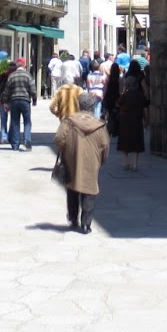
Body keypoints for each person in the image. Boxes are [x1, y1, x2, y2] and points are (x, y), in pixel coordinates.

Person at [54, 90, 109, 234]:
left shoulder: (69, 121)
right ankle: (86, 224)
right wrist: (101, 159)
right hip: (92, 159)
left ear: (79, 105)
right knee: (89, 189)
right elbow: (104, 145)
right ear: (92, 107)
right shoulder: (99, 125)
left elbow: (59, 138)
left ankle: (73, 218)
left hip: (72, 158)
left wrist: (65, 150)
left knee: (72, 186)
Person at [1, 58, 38, 151]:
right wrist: (34, 99)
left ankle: (15, 144)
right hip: (25, 101)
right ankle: (27, 140)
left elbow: (7, 90)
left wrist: (5, 102)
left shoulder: (12, 76)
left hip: (14, 101)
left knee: (15, 122)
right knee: (27, 121)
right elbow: (33, 89)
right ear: (25, 65)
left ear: (17, 65)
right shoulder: (28, 75)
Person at [117, 67, 149, 171]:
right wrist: (146, 120)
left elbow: (118, 104)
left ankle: (126, 162)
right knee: (136, 141)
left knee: (125, 141)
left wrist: (123, 91)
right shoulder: (140, 95)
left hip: (125, 121)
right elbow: (145, 107)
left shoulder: (125, 95)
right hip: (137, 120)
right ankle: (134, 163)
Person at [0, 55, 13, 143]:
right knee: (14, 119)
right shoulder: (15, 77)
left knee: (3, 119)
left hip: (2, 100)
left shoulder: (2, 76)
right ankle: (12, 137)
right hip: (13, 101)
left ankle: (4, 137)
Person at [103, 61, 123, 137]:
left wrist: (104, 97)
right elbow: (121, 90)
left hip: (109, 97)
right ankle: (116, 130)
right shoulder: (120, 79)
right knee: (117, 114)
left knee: (110, 114)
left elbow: (106, 88)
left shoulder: (108, 78)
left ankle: (110, 129)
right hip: (117, 98)